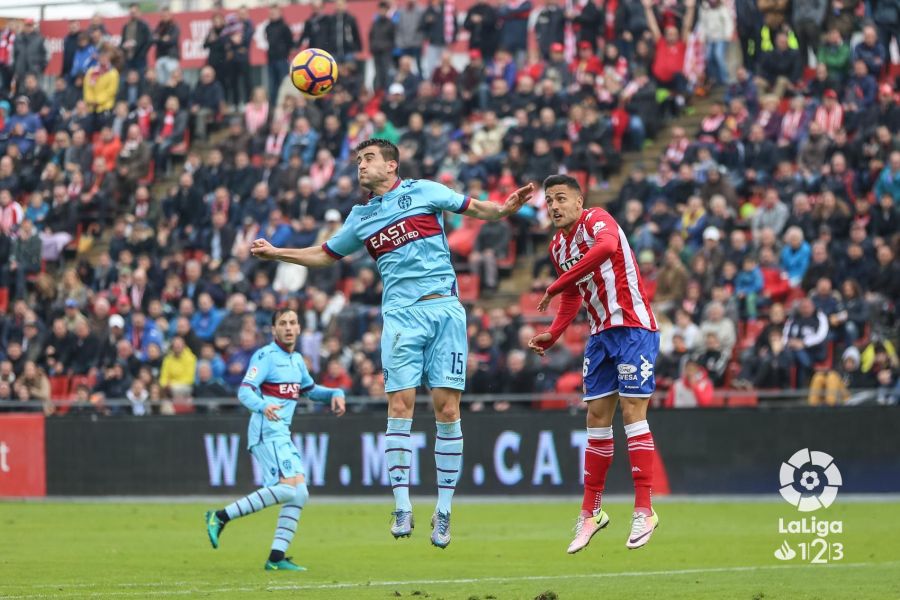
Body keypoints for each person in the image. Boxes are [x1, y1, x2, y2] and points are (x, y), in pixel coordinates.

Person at [250, 138, 533, 548]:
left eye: (368, 159)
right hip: (400, 317)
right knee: (399, 404)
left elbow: (476, 208)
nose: (360, 166)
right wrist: (277, 253)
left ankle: (444, 510)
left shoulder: (426, 191)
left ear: (391, 164)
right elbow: (326, 254)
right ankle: (402, 504)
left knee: (447, 408)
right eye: (358, 160)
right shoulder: (361, 217)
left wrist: (505, 208)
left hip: (445, 311)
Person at [527, 174, 660, 553]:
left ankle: (645, 509)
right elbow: (572, 295)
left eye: (561, 199)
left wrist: (553, 286)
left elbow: (604, 250)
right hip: (600, 335)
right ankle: (591, 513)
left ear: (579, 200)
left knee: (633, 412)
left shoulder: (597, 220)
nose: (554, 206)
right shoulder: (557, 246)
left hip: (633, 327)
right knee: (596, 419)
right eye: (549, 201)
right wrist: (553, 332)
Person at [204, 308, 346, 571]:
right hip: (265, 430)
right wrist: (262, 406)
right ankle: (220, 517)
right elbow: (244, 391)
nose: (289, 327)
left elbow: (311, 391)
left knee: (299, 493)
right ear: (274, 330)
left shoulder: (297, 361)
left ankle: (276, 558)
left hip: (281, 432)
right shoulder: (266, 356)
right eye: (283, 323)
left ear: (300, 328)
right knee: (288, 488)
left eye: (293, 322)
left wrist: (336, 392)